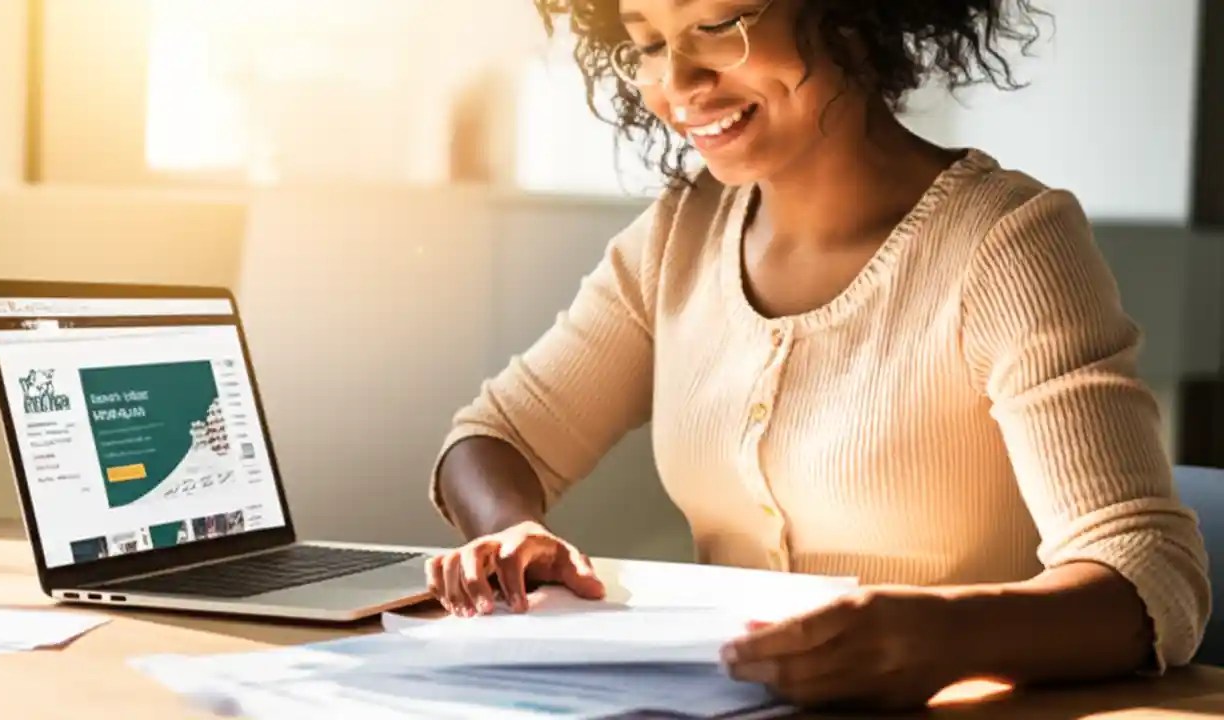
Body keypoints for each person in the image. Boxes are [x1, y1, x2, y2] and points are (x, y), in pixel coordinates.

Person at [426, 0, 1211, 711]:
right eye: (649, 44)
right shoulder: (682, 234)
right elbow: (495, 436)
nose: (680, 81)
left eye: (716, 27)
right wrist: (508, 529)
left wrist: (944, 635)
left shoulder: (1005, 243)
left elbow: (1147, 573)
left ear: (845, 17)